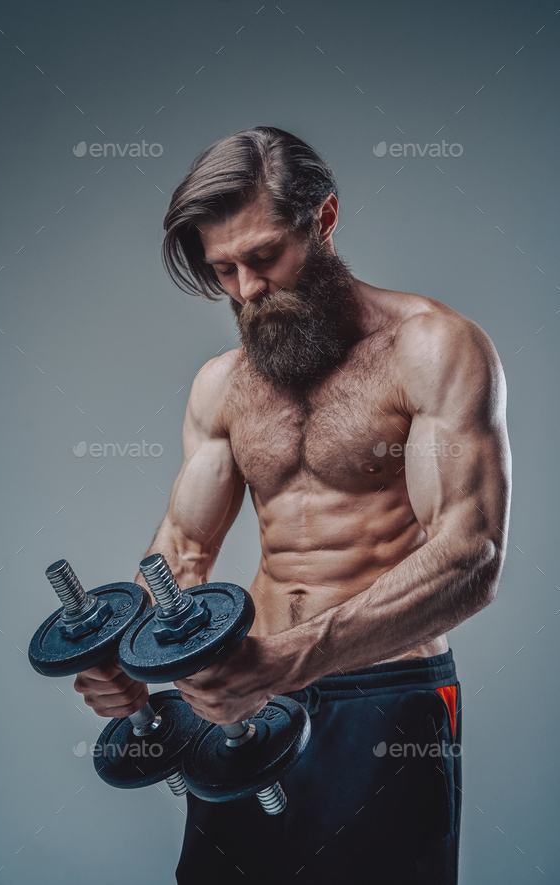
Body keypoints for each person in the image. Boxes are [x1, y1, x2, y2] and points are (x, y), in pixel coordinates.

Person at [75, 126, 511, 884]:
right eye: (224, 270)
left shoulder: (433, 349)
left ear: (324, 219)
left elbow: (470, 556)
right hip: (245, 702)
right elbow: (182, 547)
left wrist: (286, 660)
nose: (246, 289)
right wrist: (127, 653)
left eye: (264, 256)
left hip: (383, 694)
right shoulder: (222, 384)